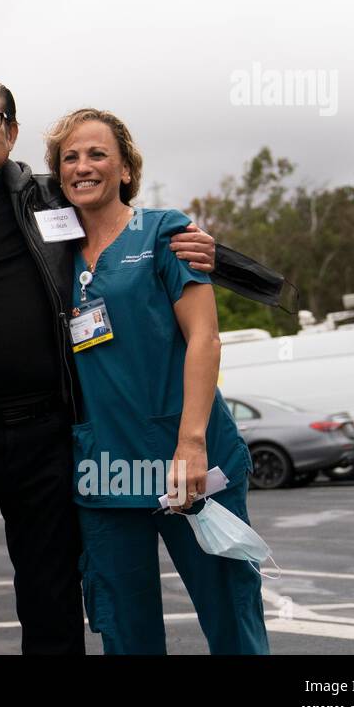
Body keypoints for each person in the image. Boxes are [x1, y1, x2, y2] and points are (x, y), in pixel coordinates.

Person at [0, 73, 252, 654]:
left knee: (53, 607)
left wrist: (209, 250)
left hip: (46, 442)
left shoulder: (52, 198)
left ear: (11, 132)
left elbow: (126, 226)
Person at [47, 107, 270, 654]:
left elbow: (204, 339)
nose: (83, 166)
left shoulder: (167, 233)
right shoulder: (53, 256)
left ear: (125, 169)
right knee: (123, 627)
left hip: (190, 461)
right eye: (70, 157)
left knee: (230, 613)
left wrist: (190, 443)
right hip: (107, 471)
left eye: (97, 153)